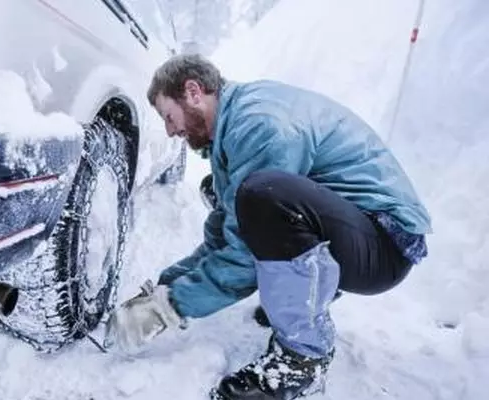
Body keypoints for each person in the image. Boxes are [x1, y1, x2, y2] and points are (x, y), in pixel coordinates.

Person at [105, 54, 431, 400]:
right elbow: (223, 238)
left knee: (262, 199)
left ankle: (303, 359)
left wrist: (167, 309)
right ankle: (296, 299)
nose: (171, 130)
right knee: (240, 199)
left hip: (384, 243)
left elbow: (244, 252)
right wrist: (164, 286)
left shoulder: (259, 124)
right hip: (357, 230)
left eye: (168, 116)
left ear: (193, 91)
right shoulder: (232, 130)